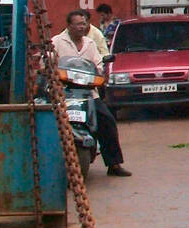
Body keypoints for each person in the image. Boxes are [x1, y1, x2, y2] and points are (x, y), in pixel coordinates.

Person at [51, 10, 131, 177]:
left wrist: (101, 72)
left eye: (84, 23)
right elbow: (49, 61)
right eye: (79, 24)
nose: (83, 27)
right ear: (69, 26)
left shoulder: (90, 43)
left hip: (88, 93)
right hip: (63, 93)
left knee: (107, 121)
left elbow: (97, 63)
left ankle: (114, 164)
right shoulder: (57, 41)